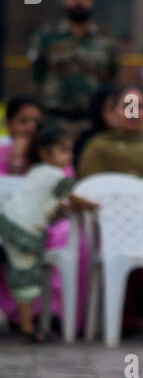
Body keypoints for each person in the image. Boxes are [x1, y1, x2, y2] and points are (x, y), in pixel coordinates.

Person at [0, 124, 97, 342]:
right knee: (25, 279)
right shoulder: (56, 175)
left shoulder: (36, 172)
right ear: (45, 152)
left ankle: (27, 325)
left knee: (20, 277)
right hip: (22, 232)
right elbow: (73, 199)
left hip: (9, 225)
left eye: (69, 150)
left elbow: (52, 202)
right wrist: (95, 205)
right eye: (63, 150)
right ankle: (26, 328)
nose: (68, 156)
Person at [28, 0, 120, 129]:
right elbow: (37, 78)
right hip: (55, 122)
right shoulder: (46, 37)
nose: (79, 1)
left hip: (93, 123)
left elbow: (113, 79)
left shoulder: (106, 39)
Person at [77, 85, 143, 178]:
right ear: (114, 111)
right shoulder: (99, 146)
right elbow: (89, 188)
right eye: (127, 106)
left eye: (139, 107)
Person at [0, 94, 45, 174]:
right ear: (8, 123)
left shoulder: (50, 150)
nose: (32, 127)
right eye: (24, 121)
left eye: (37, 122)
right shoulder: (2, 151)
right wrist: (16, 157)